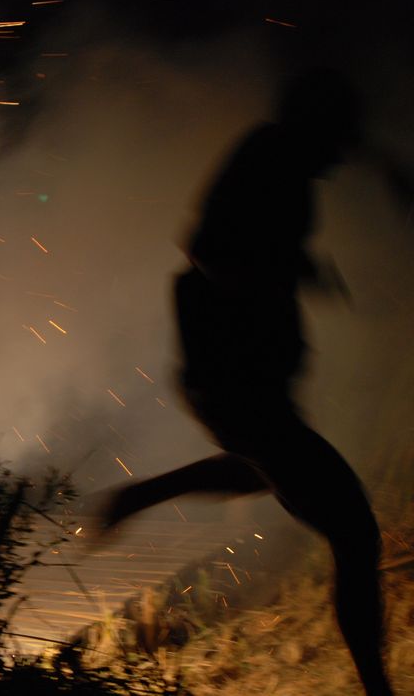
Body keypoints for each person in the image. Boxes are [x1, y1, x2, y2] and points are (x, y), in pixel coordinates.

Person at [97, 69, 394, 696]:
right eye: (339, 138)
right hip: (236, 385)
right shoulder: (271, 159)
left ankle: (140, 495)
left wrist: (295, 270)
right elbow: (208, 247)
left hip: (239, 386)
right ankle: (378, 689)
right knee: (353, 530)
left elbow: (247, 247)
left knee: (267, 469)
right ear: (316, 127)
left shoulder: (284, 161)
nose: (341, 157)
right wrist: (276, 277)